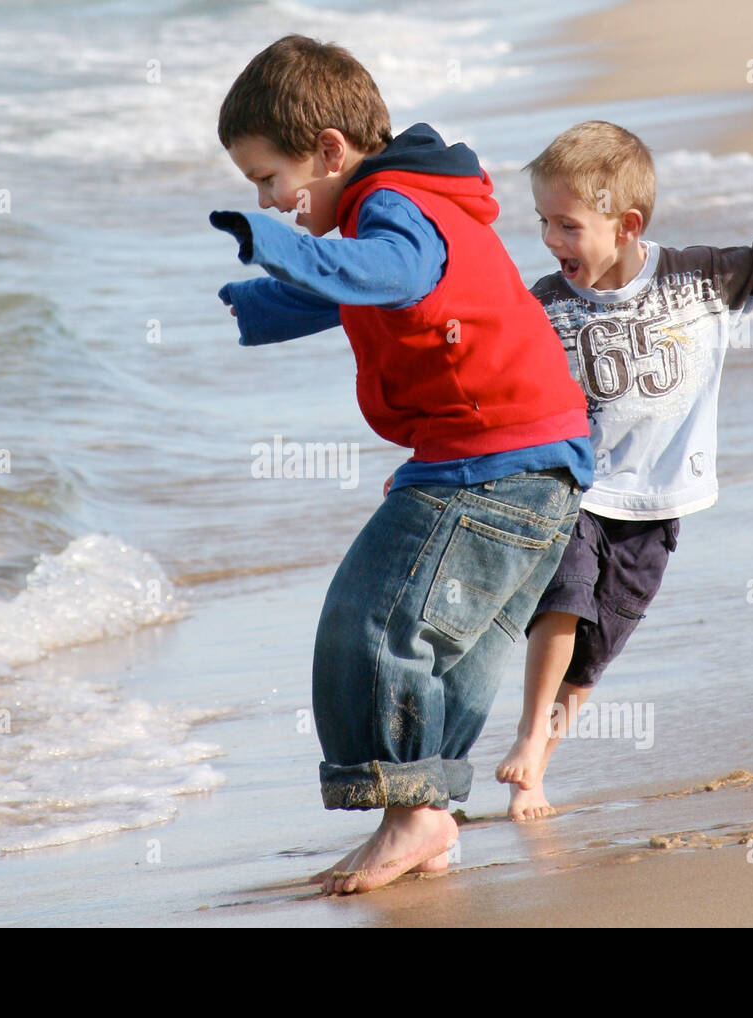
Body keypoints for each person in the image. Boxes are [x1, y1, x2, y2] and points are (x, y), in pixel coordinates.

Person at [210, 35, 593, 893]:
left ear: (331, 152)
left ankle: (415, 810)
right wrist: (257, 300)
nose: (270, 200)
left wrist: (282, 247)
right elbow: (349, 286)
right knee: (451, 649)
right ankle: (427, 818)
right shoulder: (405, 202)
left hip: (493, 460)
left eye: (269, 179)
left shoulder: (393, 208)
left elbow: (386, 268)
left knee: (371, 620)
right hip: (533, 462)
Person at [495, 121, 753, 820]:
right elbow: (496, 387)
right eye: (542, 222)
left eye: (567, 225)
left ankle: (537, 772)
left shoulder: (696, 276)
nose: (551, 241)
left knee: (593, 656)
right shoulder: (544, 303)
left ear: (627, 224)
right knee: (564, 597)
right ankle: (527, 734)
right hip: (575, 487)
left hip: (659, 501)